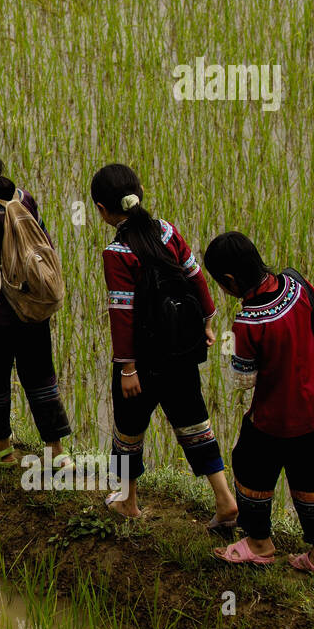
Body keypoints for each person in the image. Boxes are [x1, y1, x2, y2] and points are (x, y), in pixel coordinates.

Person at [90, 163, 237, 524]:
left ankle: (128, 502)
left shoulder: (117, 252)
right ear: (139, 193)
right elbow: (195, 277)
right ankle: (224, 499)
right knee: (193, 422)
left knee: (129, 430)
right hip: (180, 351)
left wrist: (127, 368)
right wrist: (205, 322)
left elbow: (121, 313)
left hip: (142, 359)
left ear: (102, 211)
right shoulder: (167, 232)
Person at [204, 231, 314, 578]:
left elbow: (243, 380)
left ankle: (259, 544)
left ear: (231, 280)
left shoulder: (249, 322)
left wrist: (228, 349)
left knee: (250, 467)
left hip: (276, 416)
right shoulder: (295, 285)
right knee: (311, 473)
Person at [0, 137, 71, 467]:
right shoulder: (23, 198)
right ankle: (56, 453)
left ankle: (2, 449)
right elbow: (42, 246)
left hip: (2, 318)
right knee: (40, 377)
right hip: (34, 309)